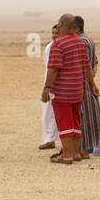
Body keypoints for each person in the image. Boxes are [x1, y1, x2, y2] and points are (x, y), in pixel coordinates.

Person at [43, 13, 98, 163]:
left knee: (64, 121)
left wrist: (47, 87)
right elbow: (87, 67)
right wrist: (93, 85)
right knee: (75, 121)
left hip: (62, 91)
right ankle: (76, 153)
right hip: (78, 90)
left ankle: (67, 155)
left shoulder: (58, 44)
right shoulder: (80, 42)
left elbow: (53, 68)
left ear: (61, 24)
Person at [75, 16, 100, 155]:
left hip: (83, 84)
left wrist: (90, 81)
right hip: (88, 82)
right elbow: (95, 63)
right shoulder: (89, 39)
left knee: (86, 115)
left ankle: (90, 146)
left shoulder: (81, 42)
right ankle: (93, 144)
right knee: (92, 114)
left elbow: (85, 65)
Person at [38, 22, 60, 150]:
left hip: (59, 84)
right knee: (47, 112)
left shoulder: (60, 47)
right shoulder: (49, 47)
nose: (54, 35)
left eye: (57, 33)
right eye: (52, 33)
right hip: (49, 82)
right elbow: (48, 67)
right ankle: (49, 140)